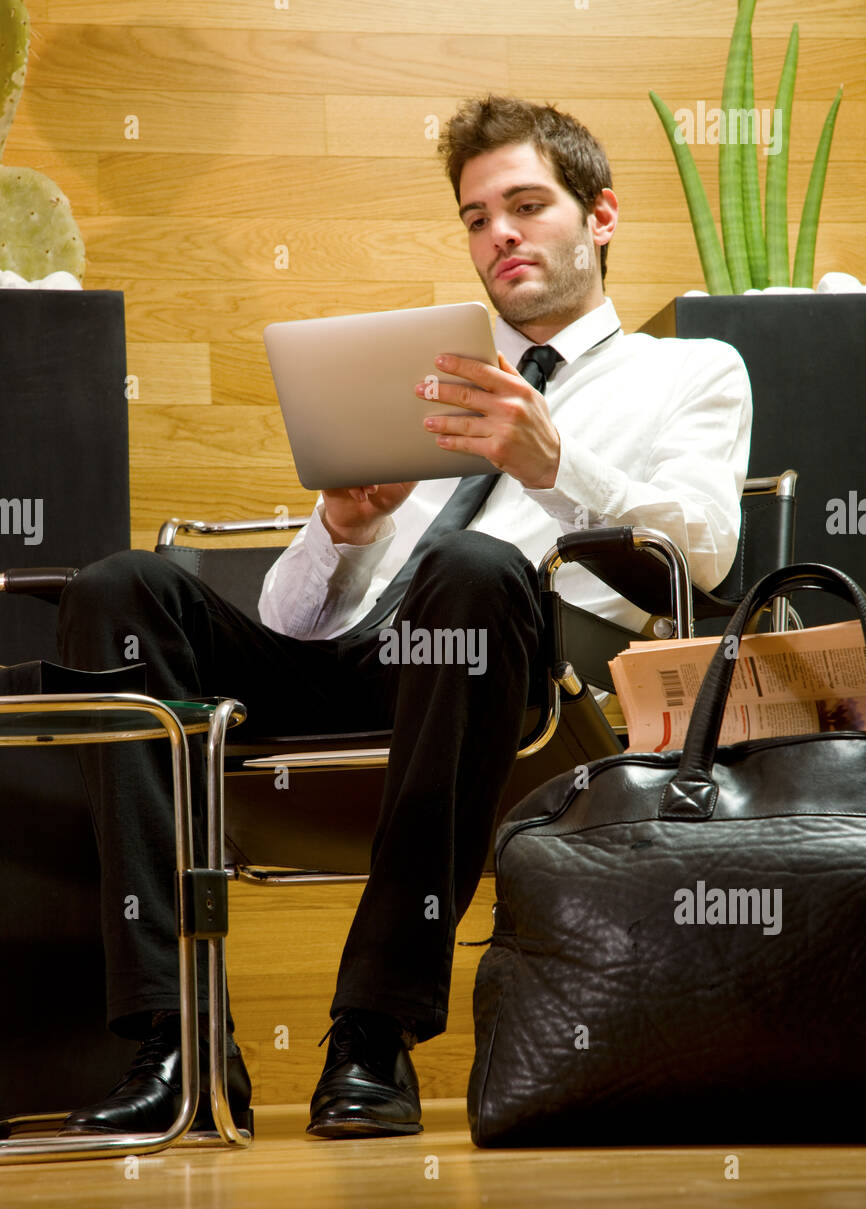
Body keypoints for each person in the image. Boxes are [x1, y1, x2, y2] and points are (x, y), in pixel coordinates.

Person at [55, 94, 751, 1141]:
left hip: (524, 671)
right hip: (380, 658)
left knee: (472, 568)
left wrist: (555, 467)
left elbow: (699, 552)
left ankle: (372, 1033)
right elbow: (294, 627)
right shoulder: (434, 376)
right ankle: (177, 1041)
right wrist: (341, 527)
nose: (498, 234)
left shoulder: (688, 372)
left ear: (599, 215)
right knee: (116, 588)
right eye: (475, 217)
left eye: (525, 205)